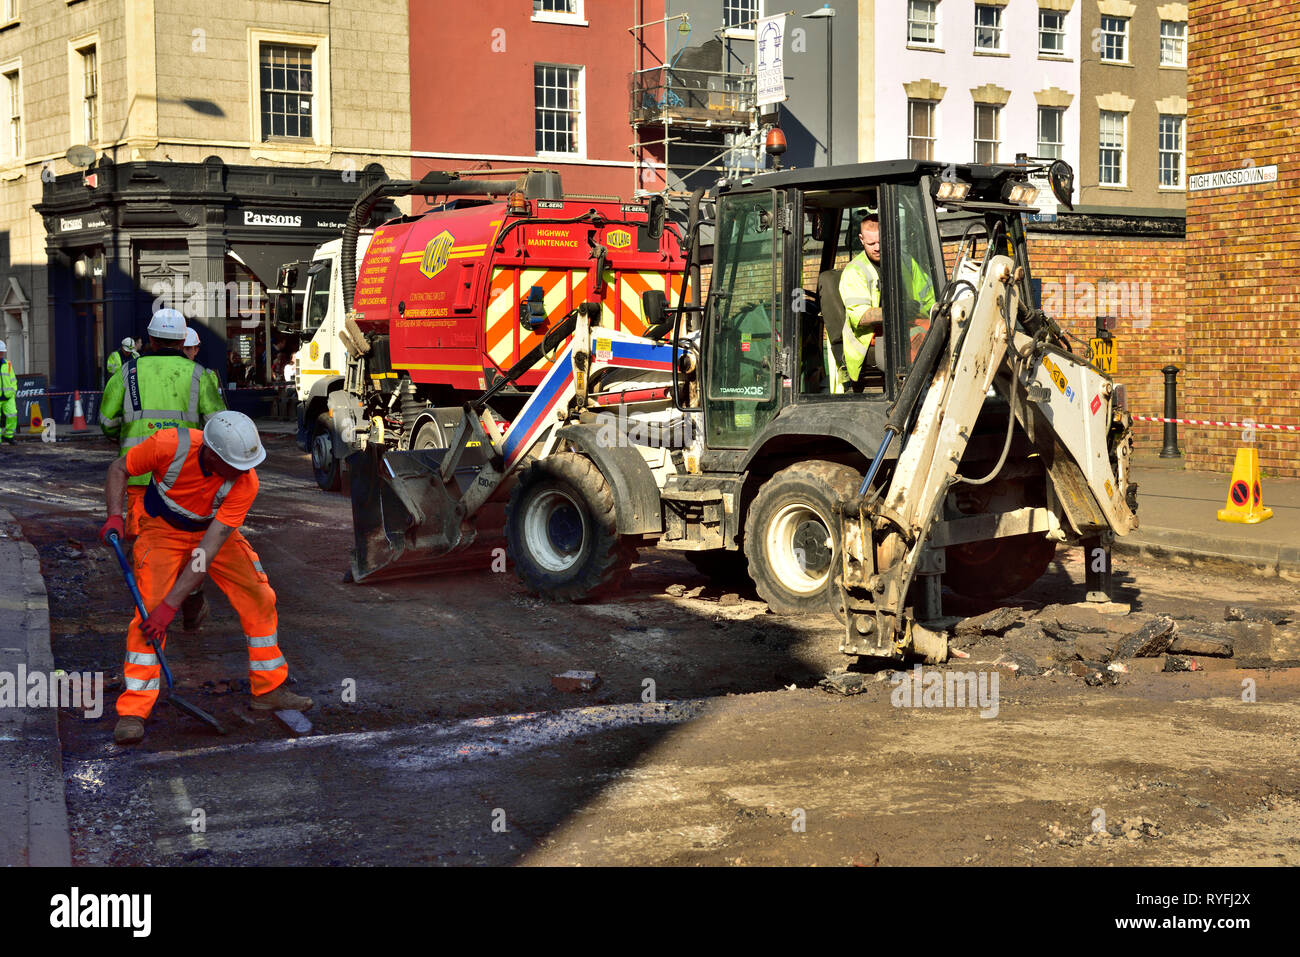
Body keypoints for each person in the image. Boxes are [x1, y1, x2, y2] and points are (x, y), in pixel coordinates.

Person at [99, 411, 312, 745]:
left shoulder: (246, 481)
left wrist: (173, 606)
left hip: (211, 534)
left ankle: (268, 688)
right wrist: (114, 515)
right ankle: (133, 711)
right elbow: (119, 468)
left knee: (259, 596)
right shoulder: (169, 445)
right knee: (148, 612)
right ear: (211, 453)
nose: (245, 472)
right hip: (162, 531)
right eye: (236, 465)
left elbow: (208, 550)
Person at [99, 308, 227, 629]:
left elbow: (107, 421)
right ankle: (191, 592)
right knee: (188, 539)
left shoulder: (126, 373)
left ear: (152, 340)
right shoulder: (200, 375)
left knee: (147, 545)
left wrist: (127, 435)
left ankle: (153, 608)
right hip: (186, 479)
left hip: (140, 476)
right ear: (182, 339)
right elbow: (218, 427)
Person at [835, 211, 938, 392]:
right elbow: (861, 317)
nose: (877, 248)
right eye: (871, 243)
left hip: (905, 324)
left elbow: (929, 298)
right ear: (861, 239)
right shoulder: (855, 271)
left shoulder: (905, 261)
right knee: (919, 339)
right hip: (870, 336)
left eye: (880, 242)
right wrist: (899, 309)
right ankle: (915, 393)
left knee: (938, 332)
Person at [0, 339, 16, 445]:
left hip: (8, 396)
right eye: (0, 352)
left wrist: (13, 391)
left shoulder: (8, 364)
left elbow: (13, 380)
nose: (2, 354)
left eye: (2, 352)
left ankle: (9, 436)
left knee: (12, 414)